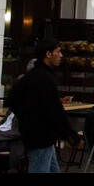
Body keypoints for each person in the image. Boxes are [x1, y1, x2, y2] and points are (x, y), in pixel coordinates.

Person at [8, 39, 79, 173]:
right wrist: (69, 133)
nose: (61, 55)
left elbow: (13, 100)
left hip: (39, 135)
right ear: (48, 54)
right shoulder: (44, 78)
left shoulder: (32, 76)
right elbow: (54, 109)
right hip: (41, 136)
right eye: (58, 52)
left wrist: (26, 119)